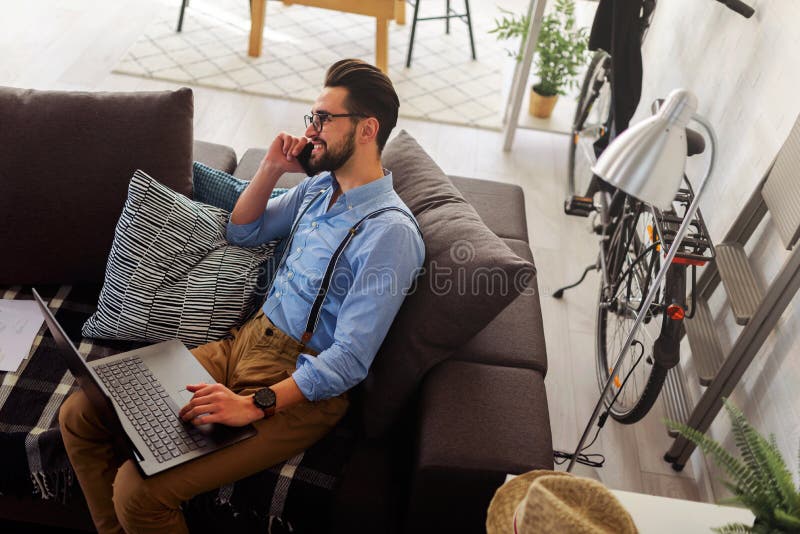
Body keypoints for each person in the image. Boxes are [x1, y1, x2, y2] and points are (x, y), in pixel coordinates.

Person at [58, 58, 425, 534]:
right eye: (310, 118)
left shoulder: (390, 234)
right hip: (242, 342)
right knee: (80, 413)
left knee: (137, 491)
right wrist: (272, 167)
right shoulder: (318, 189)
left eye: (321, 119)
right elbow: (243, 230)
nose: (309, 130)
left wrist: (255, 404)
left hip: (299, 382)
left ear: (366, 129)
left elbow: (350, 360)